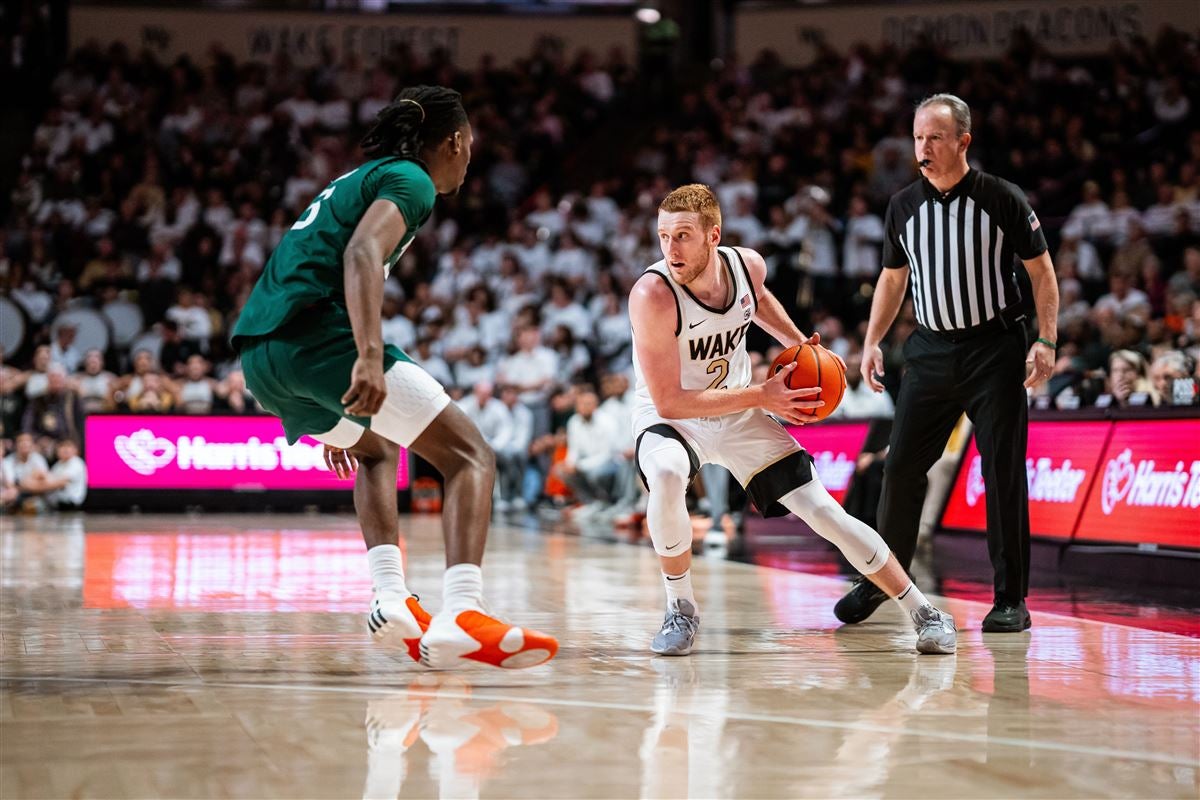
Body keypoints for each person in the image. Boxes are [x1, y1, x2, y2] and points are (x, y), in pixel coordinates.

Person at [230, 86, 556, 670]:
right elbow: (360, 254)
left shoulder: (363, 176)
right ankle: (463, 612)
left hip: (262, 358)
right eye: (470, 146)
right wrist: (368, 356)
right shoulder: (412, 179)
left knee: (377, 451)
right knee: (471, 456)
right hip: (315, 337)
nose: (469, 158)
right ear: (454, 141)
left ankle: (391, 598)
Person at [628, 184, 956, 657]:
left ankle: (924, 611)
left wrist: (805, 345)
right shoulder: (653, 295)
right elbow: (669, 403)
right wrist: (763, 395)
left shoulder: (748, 266)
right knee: (665, 473)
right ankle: (680, 606)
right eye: (663, 236)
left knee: (826, 513)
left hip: (738, 412)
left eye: (682, 236)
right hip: (676, 419)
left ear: (713, 236)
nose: (670, 249)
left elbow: (756, 301)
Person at [836, 94, 1060, 633]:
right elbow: (893, 279)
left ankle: (1011, 599)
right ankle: (882, 579)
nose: (923, 148)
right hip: (931, 352)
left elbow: (1042, 273)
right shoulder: (902, 205)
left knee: (1001, 473)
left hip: (995, 350)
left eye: (934, 137)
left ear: (963, 141)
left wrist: (1046, 340)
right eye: (917, 137)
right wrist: (871, 342)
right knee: (901, 468)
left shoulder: (1001, 198)